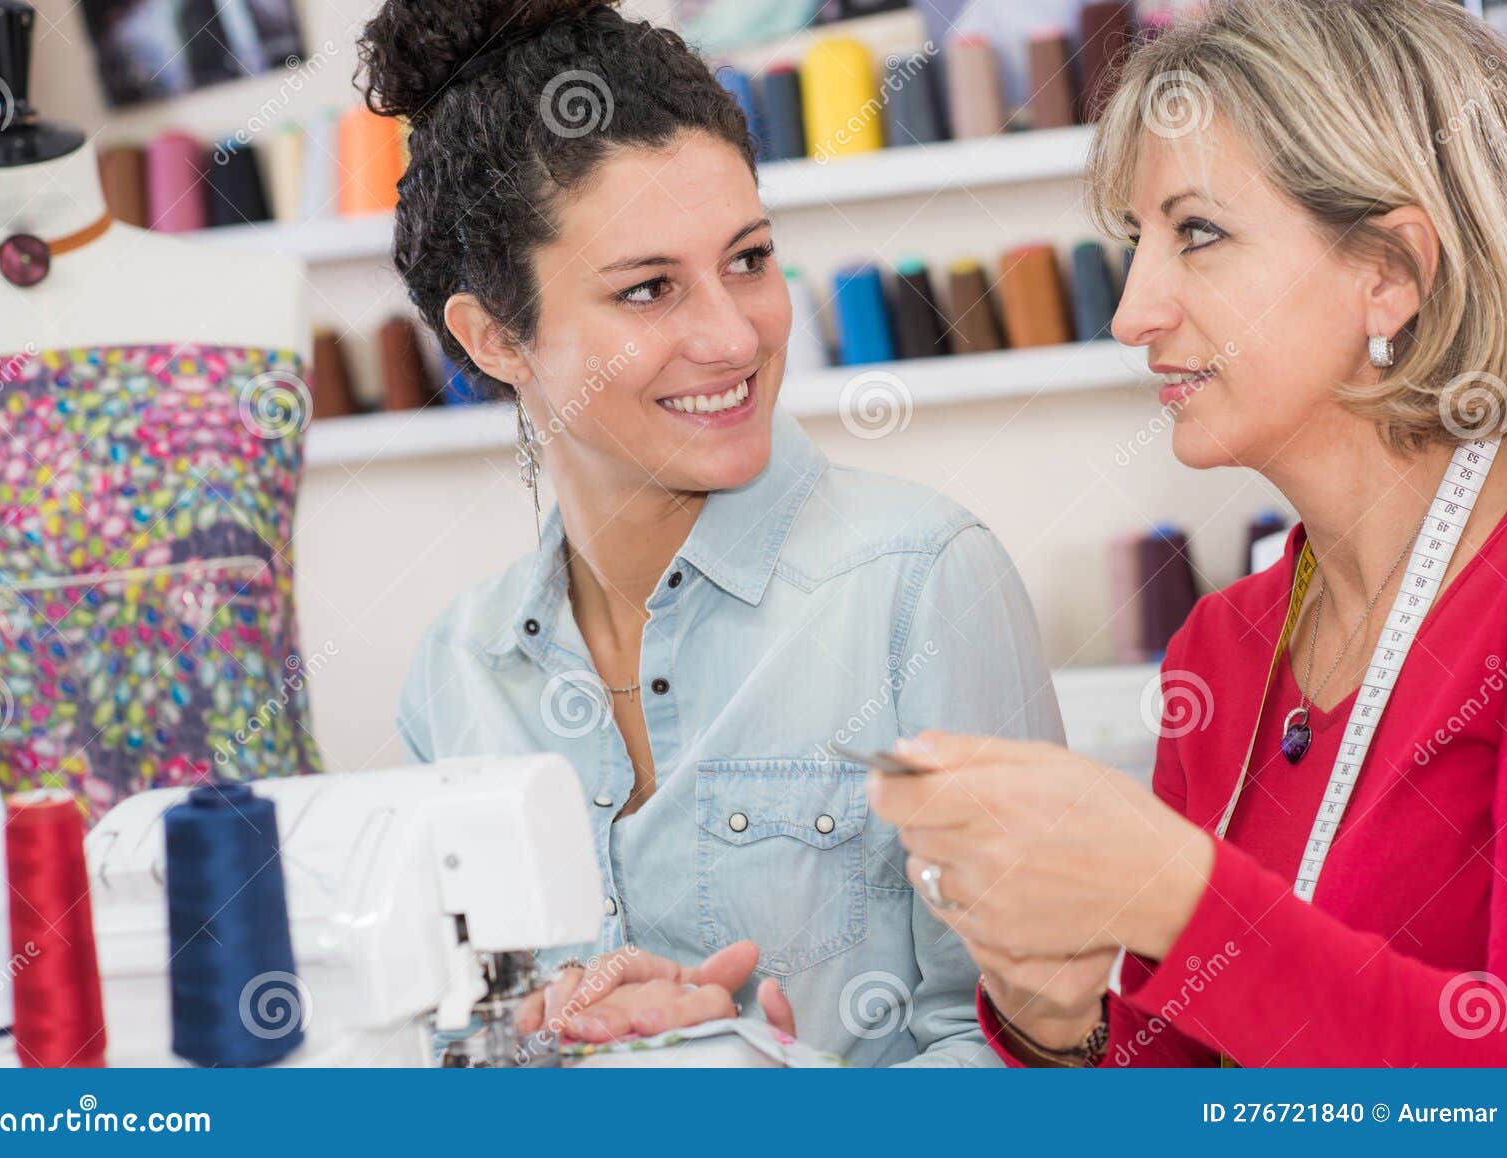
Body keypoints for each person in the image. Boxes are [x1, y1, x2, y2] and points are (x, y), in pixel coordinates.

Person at [362, 0, 1062, 1065]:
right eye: (649, 289)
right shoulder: (455, 678)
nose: (734, 334)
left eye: (748, 259)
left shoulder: (918, 583)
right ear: (494, 336)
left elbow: (1046, 1053)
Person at [871, 0, 1507, 1066]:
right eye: (1137, 244)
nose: (1131, 313)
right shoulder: (1221, 653)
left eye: (1198, 233)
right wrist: (1059, 1017)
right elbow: (1183, 1095)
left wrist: (1176, 897)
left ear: (1391, 273)